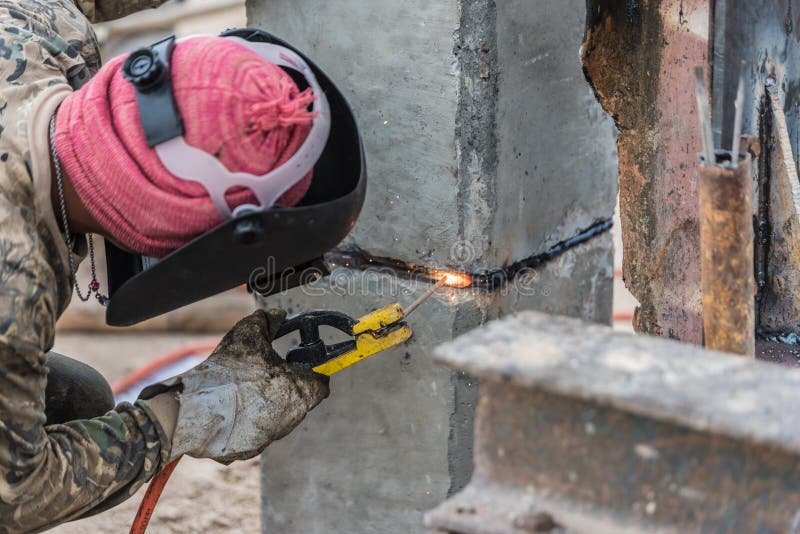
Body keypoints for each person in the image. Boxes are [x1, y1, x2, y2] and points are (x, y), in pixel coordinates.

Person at [0, 2, 333, 531]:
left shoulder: (37, 27)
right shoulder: (16, 289)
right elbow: (16, 492)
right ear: (162, 235)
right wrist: (183, 416)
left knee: (75, 398)